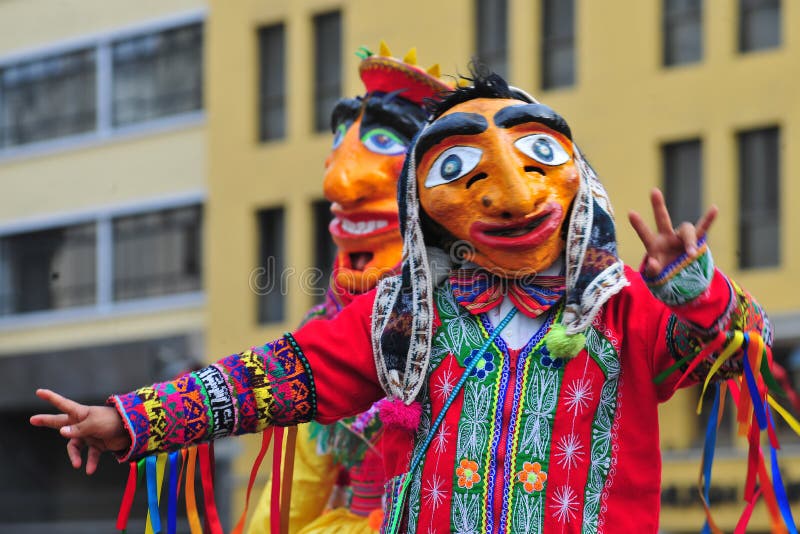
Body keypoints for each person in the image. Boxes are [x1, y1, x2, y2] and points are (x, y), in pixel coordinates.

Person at [31, 68, 785, 533]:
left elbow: (742, 350)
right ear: (426, 205)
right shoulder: (404, 315)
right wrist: (131, 419)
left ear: (575, 178)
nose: (509, 194)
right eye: (462, 169)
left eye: (534, 155)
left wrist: (693, 286)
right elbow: (274, 376)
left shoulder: (625, 307)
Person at [246, 44, 451, 534]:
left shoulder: (480, 317)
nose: (339, 184)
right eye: (340, 141)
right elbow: (293, 494)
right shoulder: (326, 330)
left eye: (382, 141)